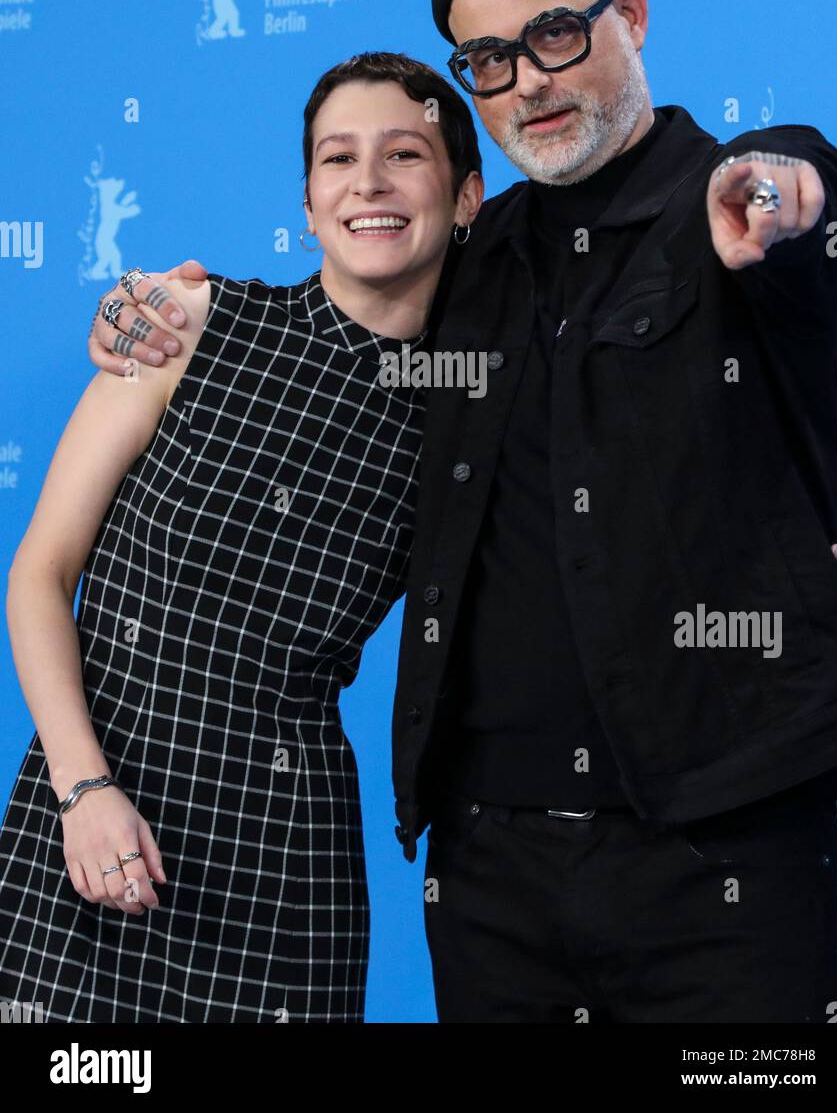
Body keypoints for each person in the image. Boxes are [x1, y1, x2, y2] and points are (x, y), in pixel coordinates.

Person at [82, 0, 837, 1025]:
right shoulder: (467, 266)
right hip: (488, 871)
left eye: (553, 33)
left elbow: (805, 187)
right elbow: (340, 299)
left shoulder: (732, 212)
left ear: (628, 15)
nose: (526, 83)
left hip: (720, 846)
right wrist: (154, 310)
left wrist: (786, 192)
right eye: (487, 61)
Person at [0, 52, 483, 1023]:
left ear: (466, 196)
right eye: (338, 158)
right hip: (91, 806)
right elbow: (41, 574)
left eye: (404, 153)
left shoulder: (473, 413)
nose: (369, 183)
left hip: (282, 857)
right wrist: (83, 787)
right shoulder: (186, 323)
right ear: (307, 202)